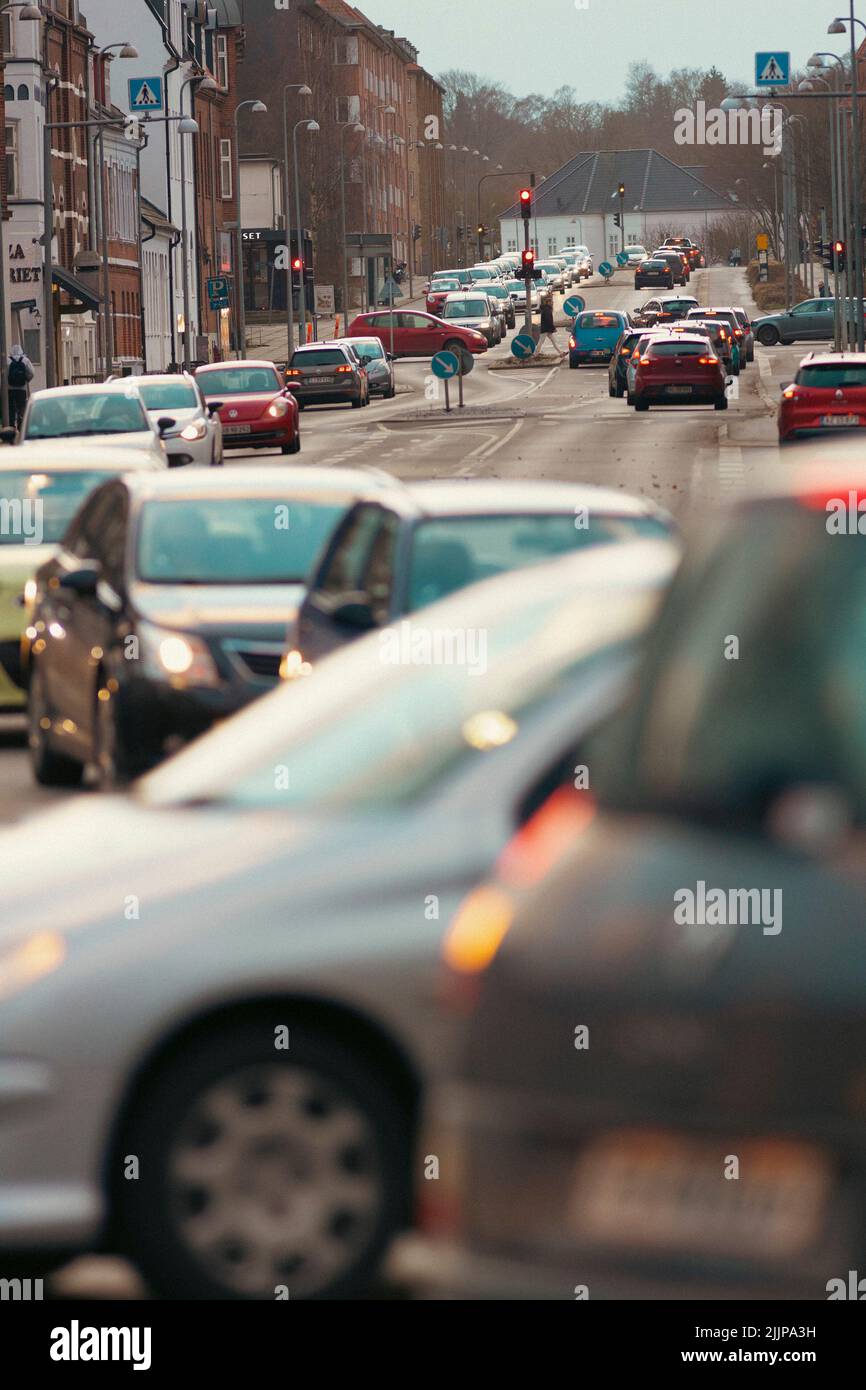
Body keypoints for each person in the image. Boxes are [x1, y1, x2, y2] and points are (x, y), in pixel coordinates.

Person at [7, 344, 34, 430]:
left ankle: (11, 426)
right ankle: (21, 424)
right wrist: (26, 380)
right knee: (22, 407)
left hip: (9, 389)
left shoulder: (7, 361)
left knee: (11, 408)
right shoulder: (25, 360)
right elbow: (32, 373)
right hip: (22, 389)